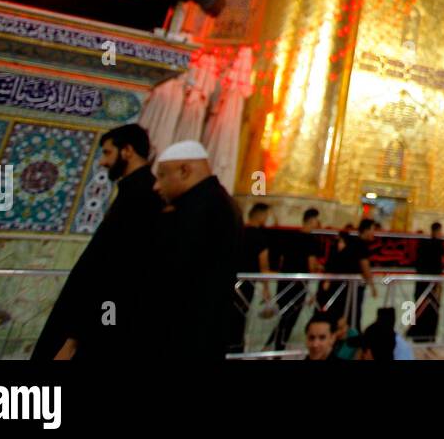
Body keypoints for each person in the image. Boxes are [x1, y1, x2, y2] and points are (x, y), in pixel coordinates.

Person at [34, 123, 162, 360]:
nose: (102, 162)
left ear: (127, 151)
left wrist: (76, 339)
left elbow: (113, 272)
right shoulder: (133, 191)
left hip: (98, 328)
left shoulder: (141, 197)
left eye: (107, 153)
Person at [149, 139, 243, 359]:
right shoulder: (216, 202)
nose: (156, 186)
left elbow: (171, 277)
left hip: (181, 336)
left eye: (162, 175)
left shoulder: (202, 209)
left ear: (184, 171)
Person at [266, 208, 321, 351]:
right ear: (312, 220)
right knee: (291, 317)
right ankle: (278, 346)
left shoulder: (290, 237)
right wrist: (318, 268)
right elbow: (311, 264)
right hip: (299, 284)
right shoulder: (311, 241)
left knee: (283, 314)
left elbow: (282, 260)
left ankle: (272, 343)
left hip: (284, 281)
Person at [230, 202, 274, 353]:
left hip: (233, 279)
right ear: (261, 215)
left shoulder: (237, 231)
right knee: (241, 315)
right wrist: (267, 289)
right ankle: (237, 347)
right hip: (247, 283)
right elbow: (264, 265)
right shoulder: (260, 237)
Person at [317, 217, 377, 329]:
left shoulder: (352, 243)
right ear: (366, 230)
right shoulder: (361, 245)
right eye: (373, 229)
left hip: (342, 286)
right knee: (353, 314)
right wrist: (372, 286)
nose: (374, 233)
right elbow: (365, 267)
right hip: (349, 287)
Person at [410, 221, 443, 342]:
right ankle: (429, 337)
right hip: (431, 285)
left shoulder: (423, 245)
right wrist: (439, 286)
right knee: (431, 311)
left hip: (421, 285)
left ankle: (417, 336)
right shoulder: (438, 246)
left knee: (420, 308)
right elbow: (439, 267)